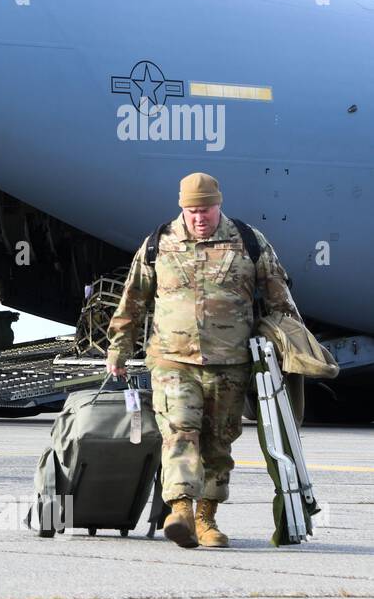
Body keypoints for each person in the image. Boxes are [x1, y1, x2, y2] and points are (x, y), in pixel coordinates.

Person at [107, 173, 300, 549]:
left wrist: (289, 344)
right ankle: (180, 509)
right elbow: (132, 301)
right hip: (172, 360)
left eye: (206, 210)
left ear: (219, 205)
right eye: (192, 210)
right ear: (182, 207)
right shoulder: (158, 243)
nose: (199, 218)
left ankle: (206, 519)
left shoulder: (248, 241)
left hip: (230, 363)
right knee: (180, 430)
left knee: (218, 442)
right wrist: (119, 348)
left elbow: (280, 299)